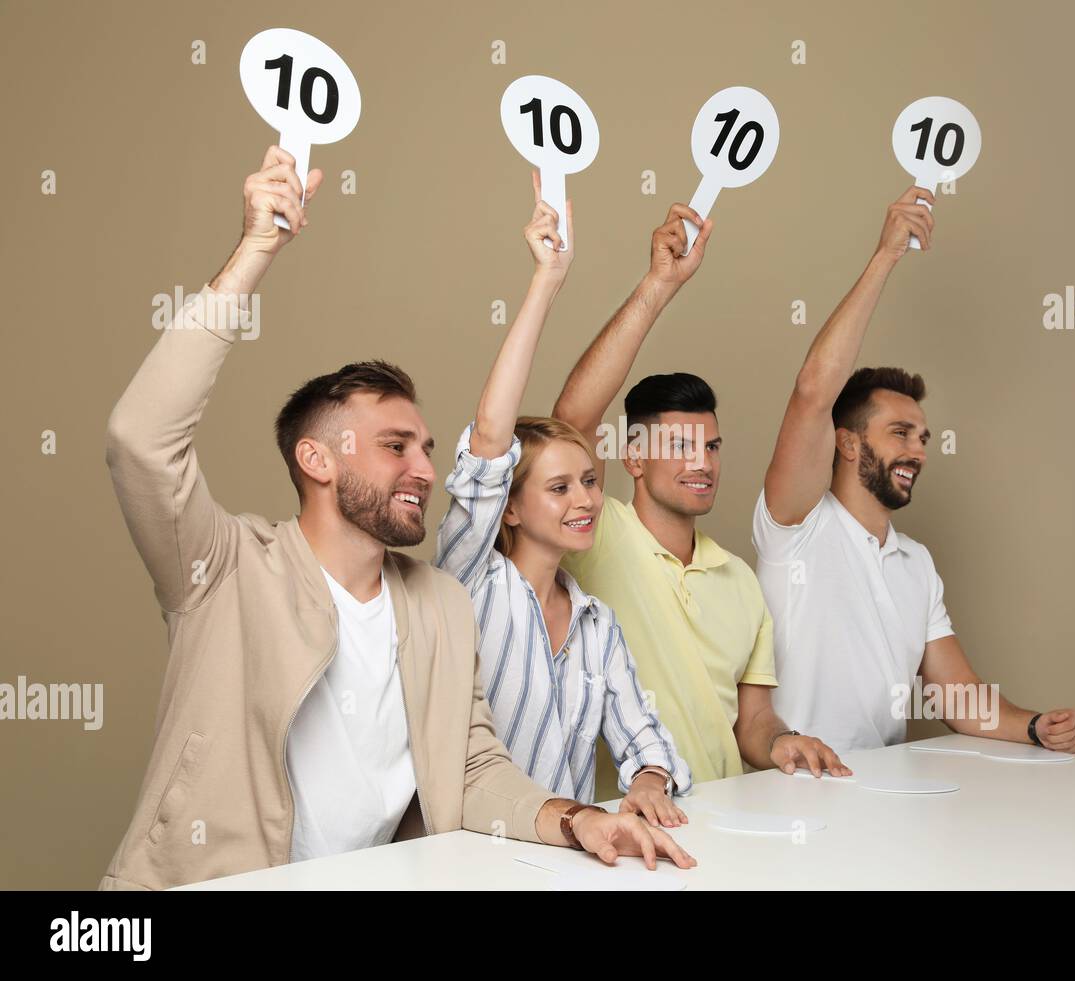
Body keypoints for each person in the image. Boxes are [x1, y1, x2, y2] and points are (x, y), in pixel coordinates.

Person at [101, 149, 693, 890]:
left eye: (425, 447)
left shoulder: (440, 603)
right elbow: (141, 442)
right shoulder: (223, 567)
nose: (423, 467)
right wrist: (255, 250)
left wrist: (577, 819)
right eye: (393, 446)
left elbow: (475, 768)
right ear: (317, 459)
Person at [753, 185, 1075, 754]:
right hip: (789, 795)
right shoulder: (795, 527)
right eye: (900, 433)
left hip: (878, 796)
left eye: (924, 437)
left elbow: (957, 696)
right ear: (849, 443)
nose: (919, 451)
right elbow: (813, 391)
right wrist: (886, 256)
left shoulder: (916, 564)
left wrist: (1034, 726)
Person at [552, 204, 850, 796]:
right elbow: (571, 419)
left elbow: (753, 724)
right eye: (681, 445)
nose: (703, 462)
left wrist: (782, 741)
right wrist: (659, 285)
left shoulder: (740, 581)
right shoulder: (595, 536)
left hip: (727, 833)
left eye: (712, 446)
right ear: (632, 457)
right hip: (626, 839)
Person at [435, 175, 692, 828]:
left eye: (588, 480)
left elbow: (644, 738)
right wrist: (547, 280)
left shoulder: (596, 625)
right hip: (465, 860)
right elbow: (490, 442)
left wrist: (652, 780)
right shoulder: (467, 583)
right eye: (558, 486)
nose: (584, 499)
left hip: (564, 856)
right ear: (509, 509)